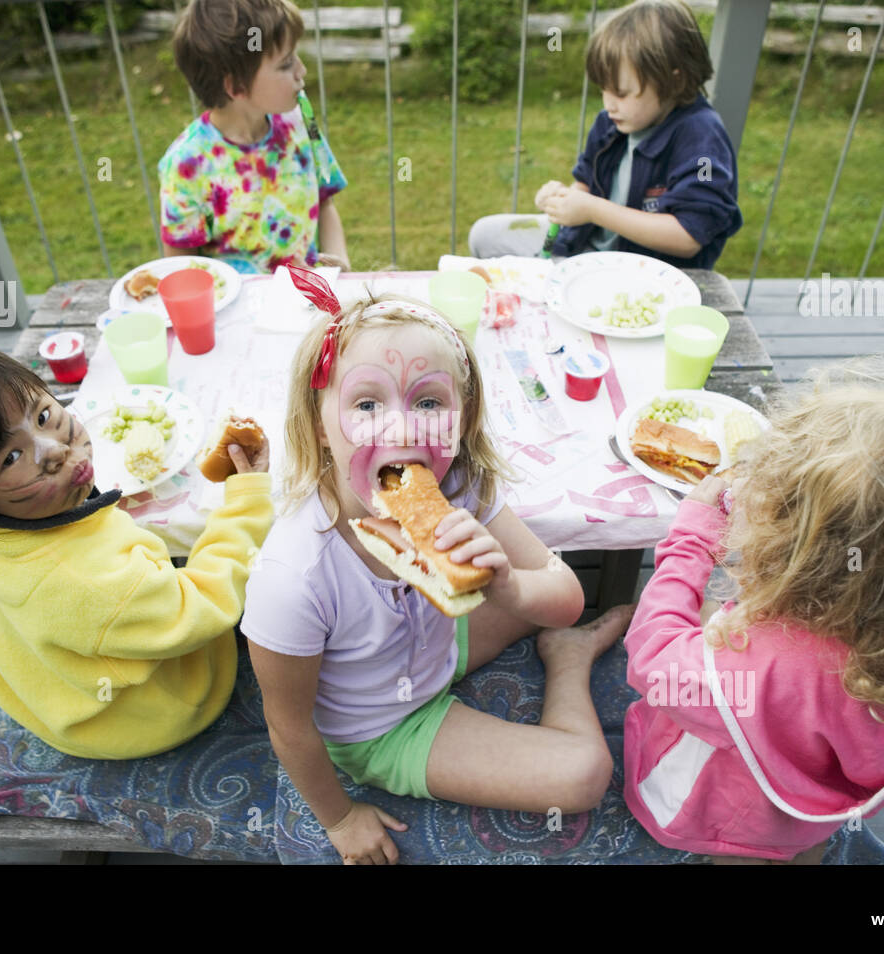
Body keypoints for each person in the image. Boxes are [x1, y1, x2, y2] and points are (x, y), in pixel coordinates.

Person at [241, 269, 631, 864]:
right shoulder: (293, 576)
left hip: (441, 645)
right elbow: (289, 728)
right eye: (367, 403)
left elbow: (565, 596)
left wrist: (506, 582)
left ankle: (540, 637)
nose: (402, 426)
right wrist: (341, 819)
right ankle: (568, 659)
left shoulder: (460, 487)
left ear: (462, 418)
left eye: (428, 401)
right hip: (384, 726)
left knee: (530, 604)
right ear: (321, 427)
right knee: (583, 774)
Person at [623, 360, 884, 862]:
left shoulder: (757, 663)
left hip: (733, 812)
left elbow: (652, 658)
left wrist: (692, 538)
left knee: (743, 850)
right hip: (812, 806)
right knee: (797, 842)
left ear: (804, 551)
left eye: (776, 497)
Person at [0, 339, 273, 760]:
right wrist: (247, 502)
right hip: (152, 716)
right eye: (12, 457)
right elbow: (200, 607)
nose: (54, 450)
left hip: (51, 697)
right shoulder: (90, 580)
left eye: (43, 415)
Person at [468, 0, 741, 268]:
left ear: (674, 80)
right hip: (581, 243)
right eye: (603, 89)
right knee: (484, 236)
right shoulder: (610, 122)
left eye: (621, 93)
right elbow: (586, 184)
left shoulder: (702, 140)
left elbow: (689, 235)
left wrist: (592, 209)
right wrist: (563, 200)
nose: (608, 103)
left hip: (639, 272)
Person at [159, 0, 350, 274]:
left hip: (307, 304)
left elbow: (325, 201)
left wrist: (339, 266)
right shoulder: (186, 164)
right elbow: (181, 269)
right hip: (238, 313)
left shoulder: (299, 122)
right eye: (286, 64)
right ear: (236, 86)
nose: (301, 71)